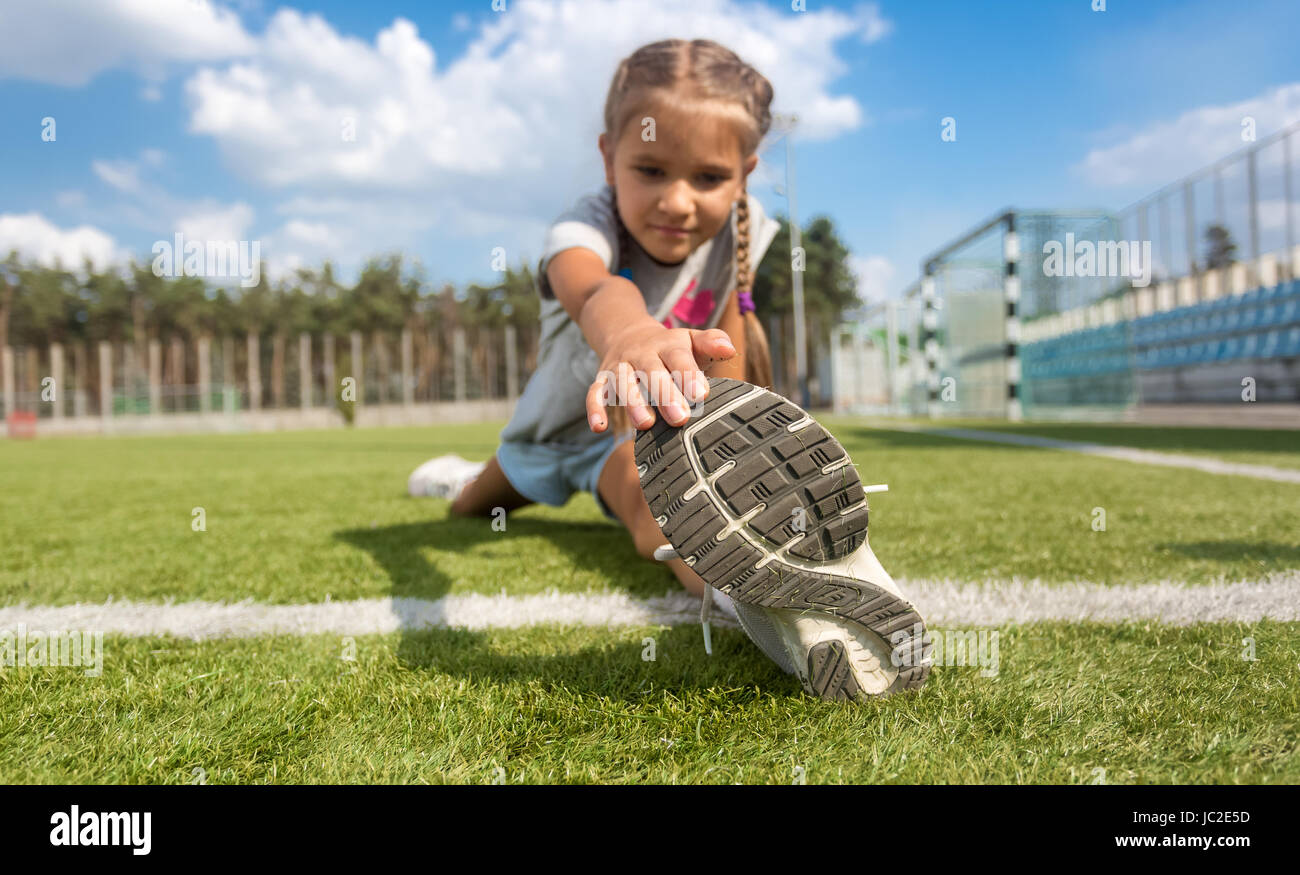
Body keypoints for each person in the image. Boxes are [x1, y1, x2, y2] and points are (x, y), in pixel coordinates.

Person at [410, 38, 930, 700]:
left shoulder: (747, 229)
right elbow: (596, 291)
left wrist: (740, 457)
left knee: (661, 510)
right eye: (651, 170)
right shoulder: (582, 226)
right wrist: (630, 335)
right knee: (468, 510)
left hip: (639, 437)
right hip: (554, 434)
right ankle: (455, 477)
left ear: (744, 174)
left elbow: (729, 346)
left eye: (708, 178)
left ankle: (765, 601)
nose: (678, 201)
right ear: (608, 157)